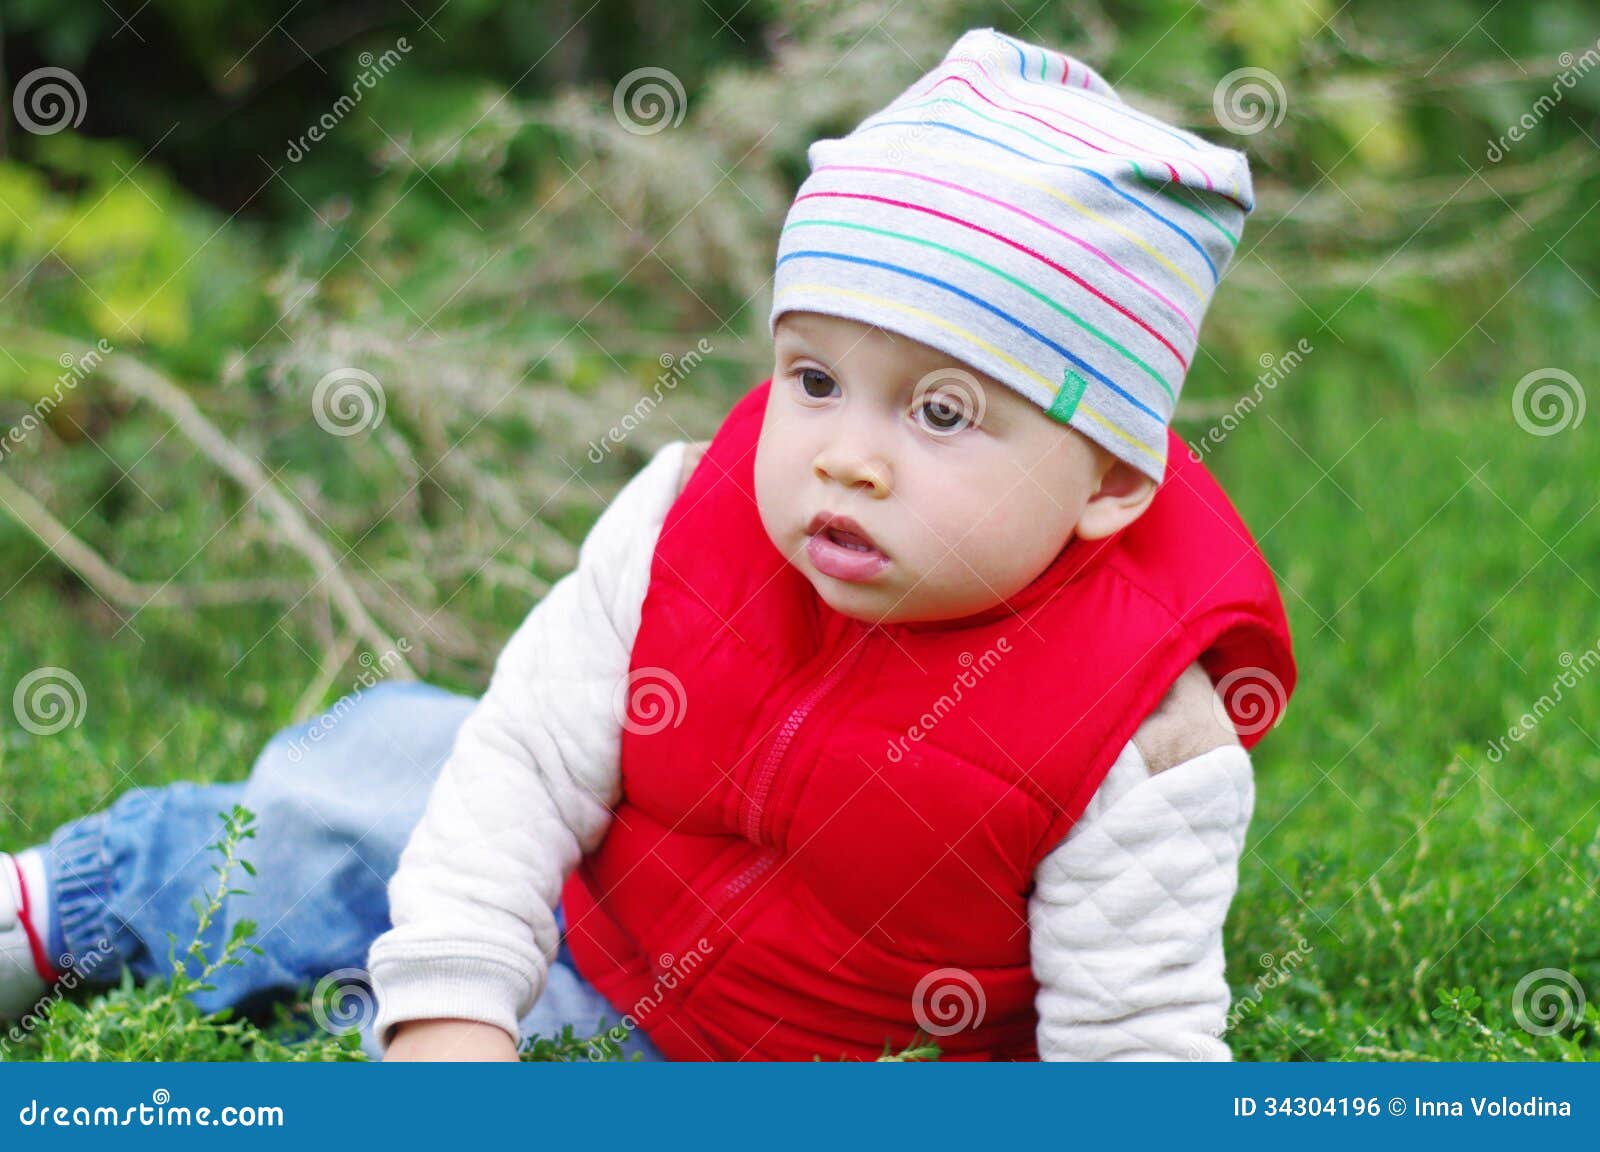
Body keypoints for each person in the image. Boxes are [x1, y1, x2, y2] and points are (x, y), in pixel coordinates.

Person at [1, 26, 1295, 1061]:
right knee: (386, 776)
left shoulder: (1146, 743)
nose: (847, 454)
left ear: (1112, 486)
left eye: (943, 411)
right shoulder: (689, 519)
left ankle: (355, 1002)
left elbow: (1133, 1048)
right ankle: (66, 908)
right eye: (815, 377)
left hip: (757, 1055)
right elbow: (527, 767)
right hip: (596, 904)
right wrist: (456, 1003)